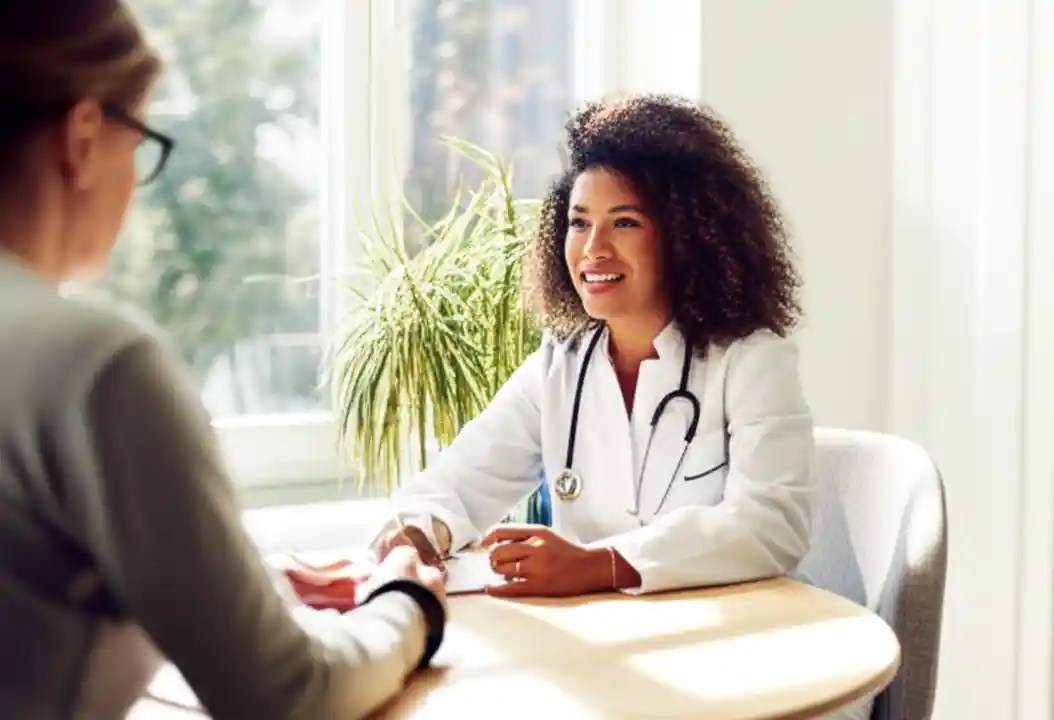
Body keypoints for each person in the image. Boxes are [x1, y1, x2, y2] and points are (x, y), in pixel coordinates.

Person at [0, 3, 445, 718]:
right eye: (139, 142)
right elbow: (290, 695)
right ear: (83, 137)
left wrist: (240, 582)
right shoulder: (90, 362)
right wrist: (410, 603)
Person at [372, 94, 816, 597]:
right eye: (580, 222)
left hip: (744, 634)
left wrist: (603, 565)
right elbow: (456, 483)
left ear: (685, 236)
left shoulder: (752, 360)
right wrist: (415, 537)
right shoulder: (561, 364)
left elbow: (771, 525)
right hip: (610, 641)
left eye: (624, 223)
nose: (593, 248)